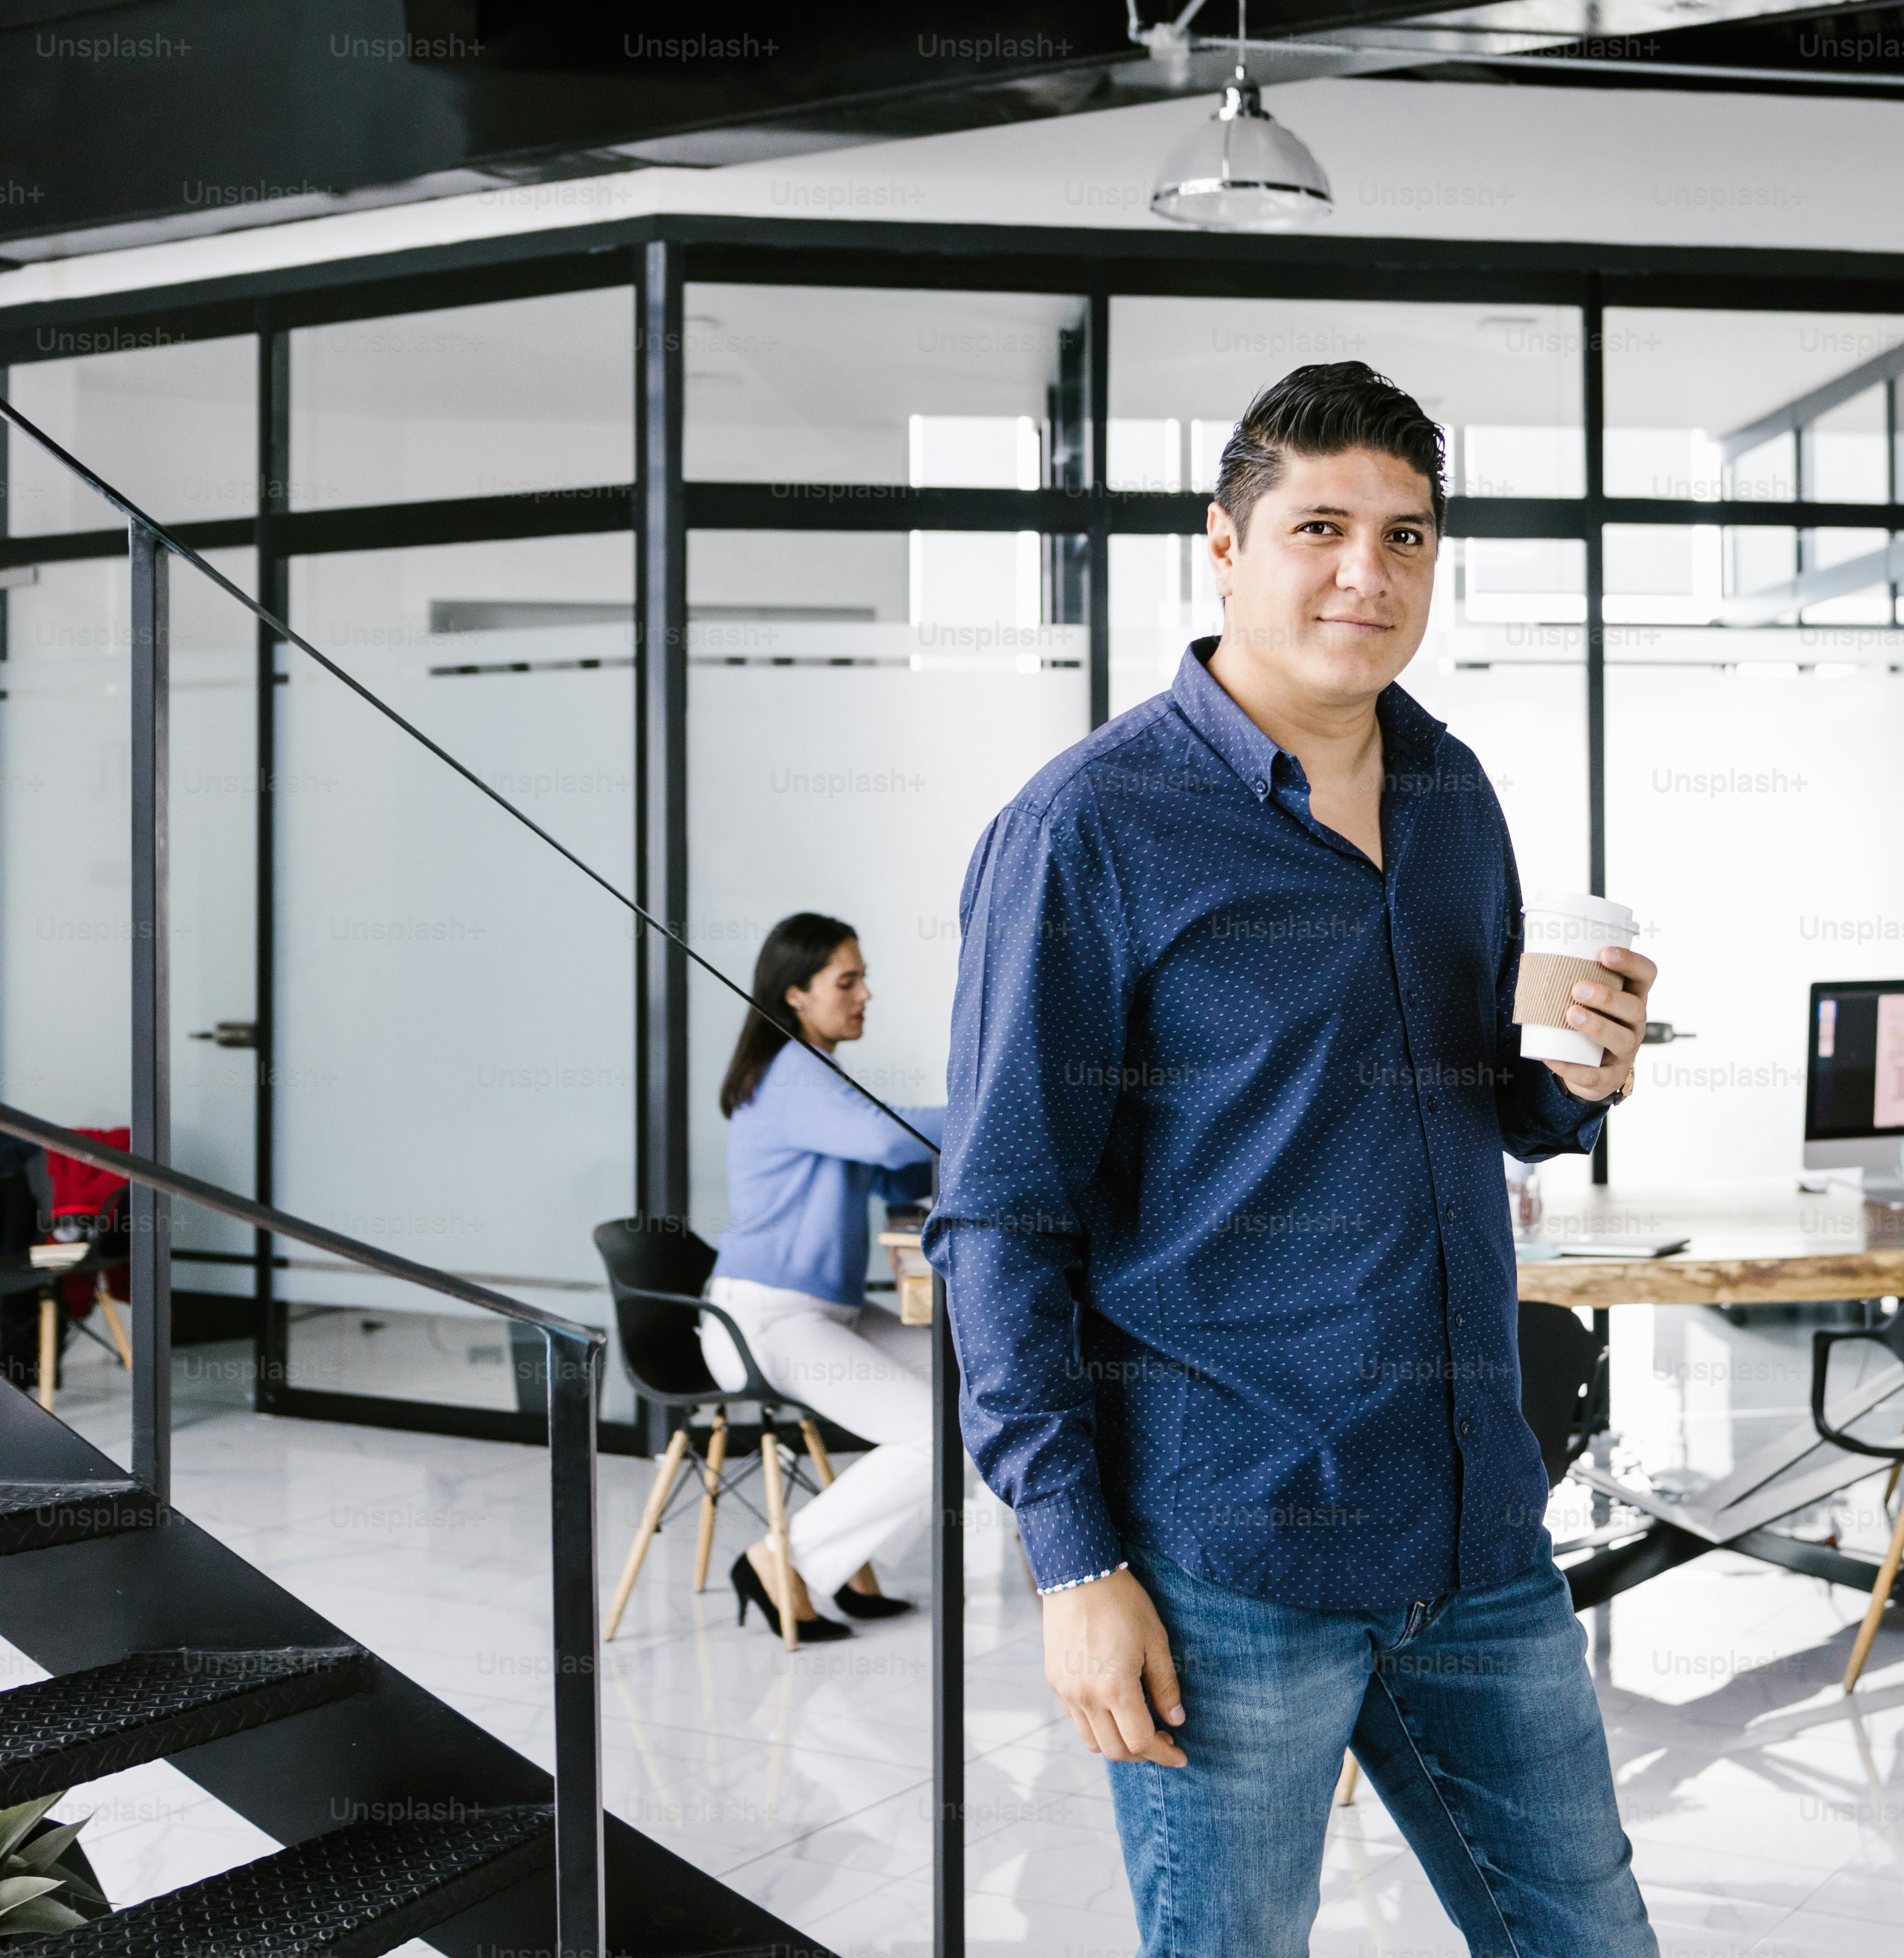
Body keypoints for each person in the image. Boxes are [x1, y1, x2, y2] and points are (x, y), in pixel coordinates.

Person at [930, 363, 1663, 1954]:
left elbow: (1476, 1106)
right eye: (1320, 527)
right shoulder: (1088, 830)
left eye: (1408, 537)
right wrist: (1073, 1566)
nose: (1368, 573)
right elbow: (998, 1222)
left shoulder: (1456, 794)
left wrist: (1577, 1081)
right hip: (1230, 1547)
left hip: (1474, 1526)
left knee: (1594, 1941)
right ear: (1222, 545)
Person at [705, 912, 944, 1643]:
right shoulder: (794, 1072)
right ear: (796, 995)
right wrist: (997, 1110)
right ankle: (783, 1562)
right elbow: (882, 1136)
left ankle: (844, 1563)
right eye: (848, 980)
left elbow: (885, 1167)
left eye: (863, 977)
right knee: (930, 1436)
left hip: (820, 1314)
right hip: (769, 1319)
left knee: (963, 1403)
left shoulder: (815, 1074)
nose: (866, 994)